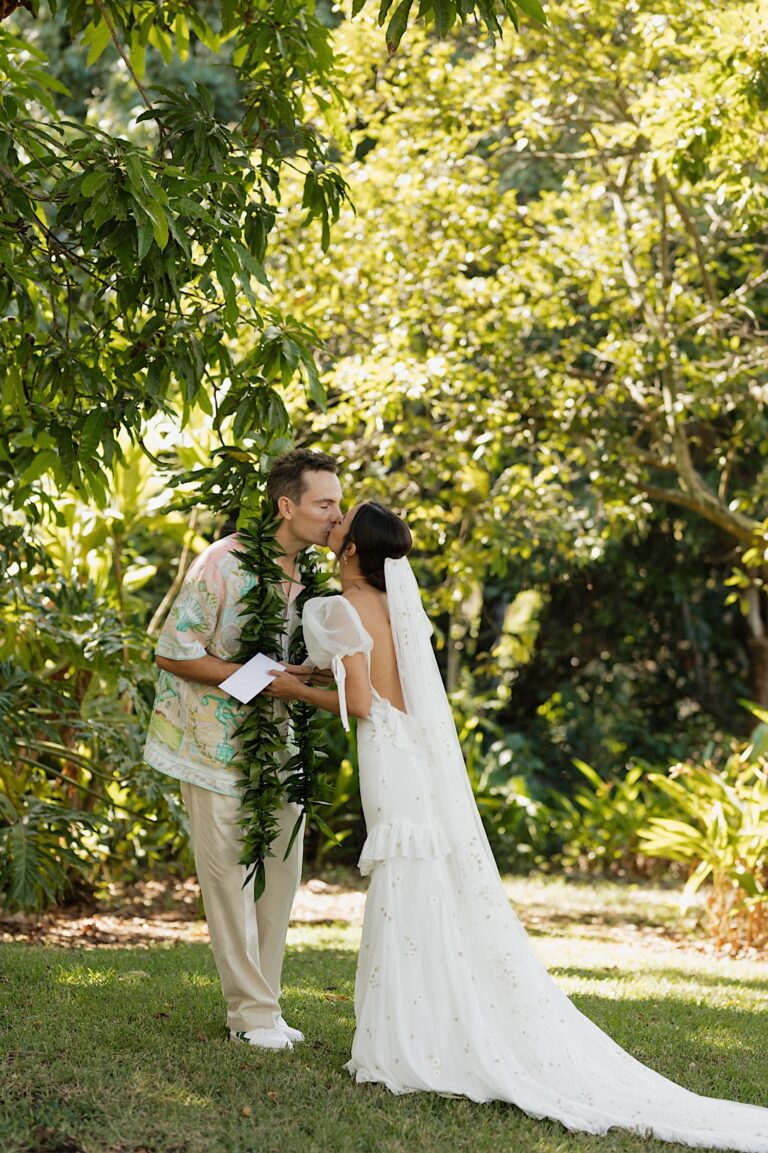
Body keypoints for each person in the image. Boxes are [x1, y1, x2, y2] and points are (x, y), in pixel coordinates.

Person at [265, 501, 768, 1151]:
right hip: (412, 753)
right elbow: (379, 678)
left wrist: (292, 689)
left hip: (388, 756)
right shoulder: (391, 606)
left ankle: (409, 1038)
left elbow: (360, 700)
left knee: (402, 883)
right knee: (418, 884)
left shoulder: (339, 606)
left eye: (342, 523)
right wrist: (312, 673)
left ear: (354, 548)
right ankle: (422, 1024)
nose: (332, 525)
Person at [143, 449, 343, 1051]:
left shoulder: (313, 576)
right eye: (325, 504)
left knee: (281, 873)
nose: (336, 516)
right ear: (287, 506)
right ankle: (249, 1016)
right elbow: (173, 651)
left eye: (337, 504)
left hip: (279, 746)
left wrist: (307, 675)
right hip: (211, 746)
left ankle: (268, 1007)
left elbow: (287, 664)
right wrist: (260, 677)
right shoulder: (223, 562)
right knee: (229, 881)